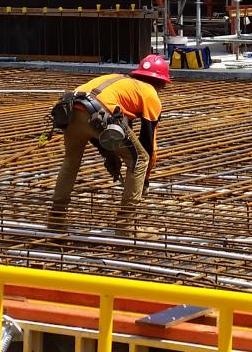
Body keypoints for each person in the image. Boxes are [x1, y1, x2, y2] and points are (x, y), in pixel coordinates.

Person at [47, 55, 170, 232]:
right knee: (140, 159)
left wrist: (109, 154)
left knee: (71, 162)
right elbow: (148, 143)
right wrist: (145, 180)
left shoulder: (121, 82)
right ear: (162, 84)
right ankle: (125, 226)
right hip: (98, 113)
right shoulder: (150, 93)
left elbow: (100, 129)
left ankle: (55, 219)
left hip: (70, 111)